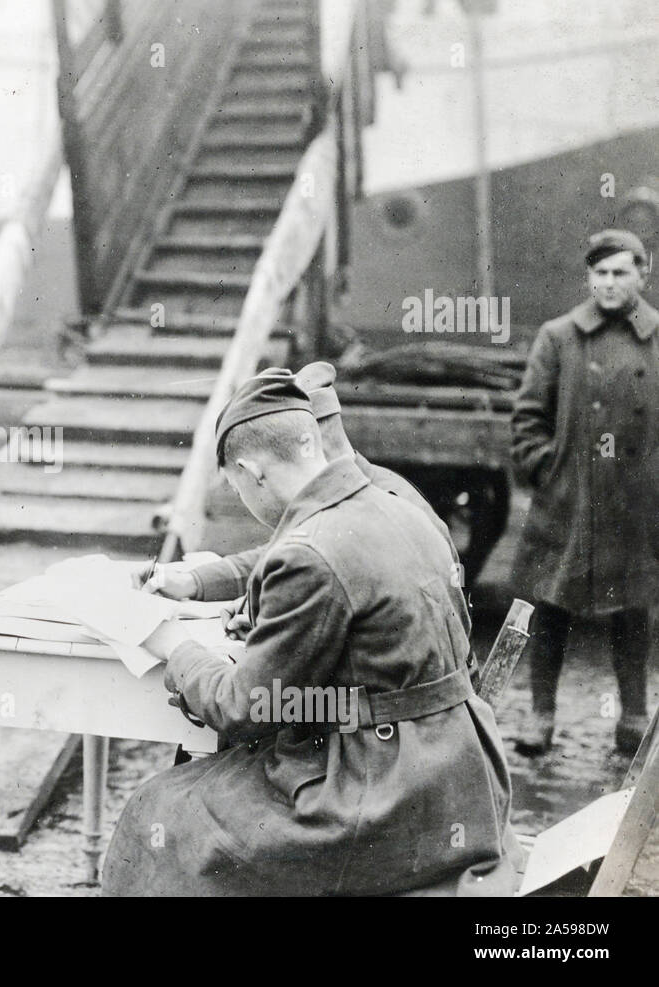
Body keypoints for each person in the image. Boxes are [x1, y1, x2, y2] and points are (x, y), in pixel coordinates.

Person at [102, 371, 522, 896]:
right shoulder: (397, 505)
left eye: (234, 484)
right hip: (462, 779)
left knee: (158, 813)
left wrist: (172, 646)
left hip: (386, 796)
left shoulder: (308, 551)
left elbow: (246, 707)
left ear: (252, 471)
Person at [140, 361, 470, 649]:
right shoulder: (344, 499)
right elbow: (280, 554)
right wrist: (195, 582)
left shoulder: (383, 504)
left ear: (309, 442)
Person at [510, 229, 659, 757]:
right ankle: (541, 713)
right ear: (588, 278)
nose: (611, 283)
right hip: (572, 498)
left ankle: (634, 715)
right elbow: (528, 417)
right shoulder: (559, 337)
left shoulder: (657, 338)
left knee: (634, 609)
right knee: (551, 606)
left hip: (638, 502)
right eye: (601, 273)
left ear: (644, 273)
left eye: (622, 272)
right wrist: (546, 469)